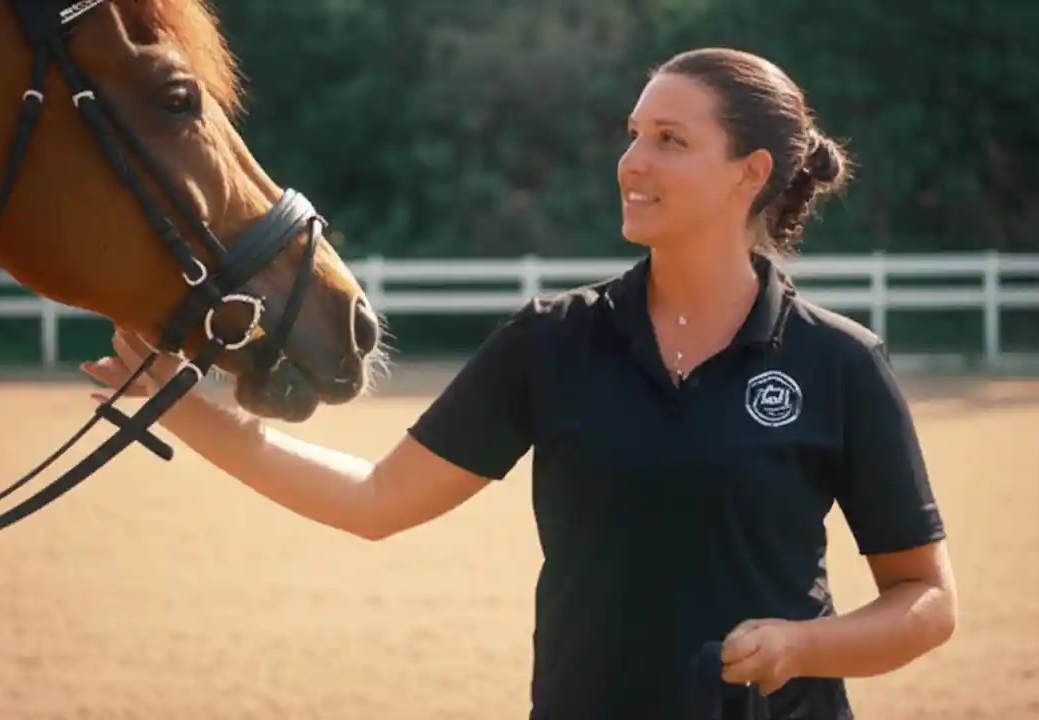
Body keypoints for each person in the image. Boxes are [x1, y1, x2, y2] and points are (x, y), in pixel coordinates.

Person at [84, 47, 957, 720]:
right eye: (633, 135)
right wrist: (189, 413)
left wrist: (804, 647)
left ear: (751, 172)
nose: (633, 162)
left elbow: (925, 601)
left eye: (670, 141)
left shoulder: (838, 363)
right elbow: (377, 499)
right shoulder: (554, 342)